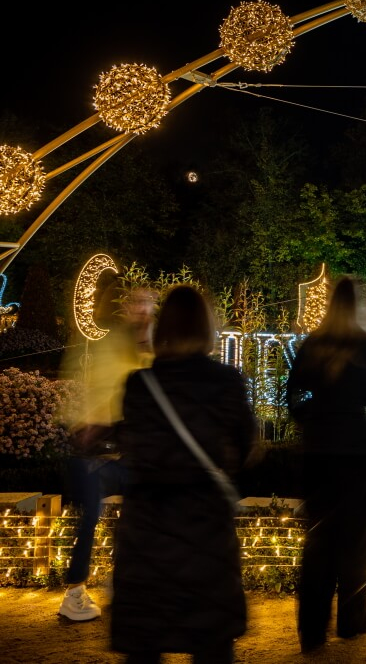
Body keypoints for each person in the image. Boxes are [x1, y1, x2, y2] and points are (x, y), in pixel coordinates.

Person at [109, 284, 256, 663]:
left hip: (146, 530)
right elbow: (243, 450)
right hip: (203, 527)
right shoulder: (226, 382)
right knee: (210, 644)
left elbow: (131, 446)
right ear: (207, 328)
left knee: (145, 644)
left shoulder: (140, 386)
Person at [286, 275, 366, 654]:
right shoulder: (363, 346)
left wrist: (313, 415)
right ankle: (352, 620)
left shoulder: (313, 344)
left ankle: (311, 630)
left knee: (317, 539)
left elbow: (293, 396)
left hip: (316, 453)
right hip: (352, 452)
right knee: (353, 540)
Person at [57, 283, 156, 622]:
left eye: (149, 304)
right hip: (92, 445)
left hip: (122, 446)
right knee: (90, 518)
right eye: (138, 303)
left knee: (137, 510)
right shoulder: (109, 344)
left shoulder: (146, 346)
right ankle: (74, 591)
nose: (143, 309)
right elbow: (109, 389)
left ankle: (119, 579)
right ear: (126, 307)